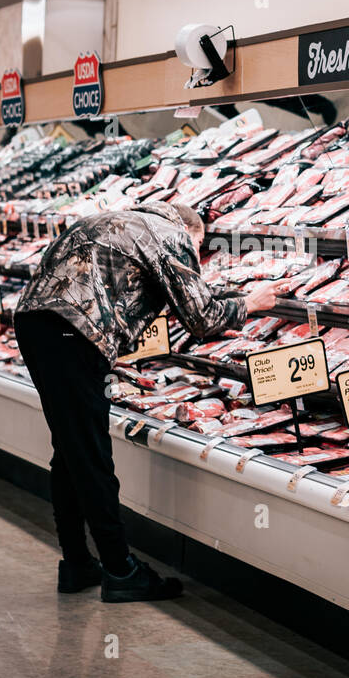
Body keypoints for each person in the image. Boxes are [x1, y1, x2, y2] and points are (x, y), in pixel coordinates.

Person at [14, 201, 277, 603]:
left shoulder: (124, 221)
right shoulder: (172, 236)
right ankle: (121, 570)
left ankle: (76, 563)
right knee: (91, 455)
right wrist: (251, 303)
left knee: (70, 452)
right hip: (72, 334)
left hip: (38, 325)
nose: (198, 256)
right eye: (200, 247)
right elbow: (202, 317)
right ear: (192, 231)